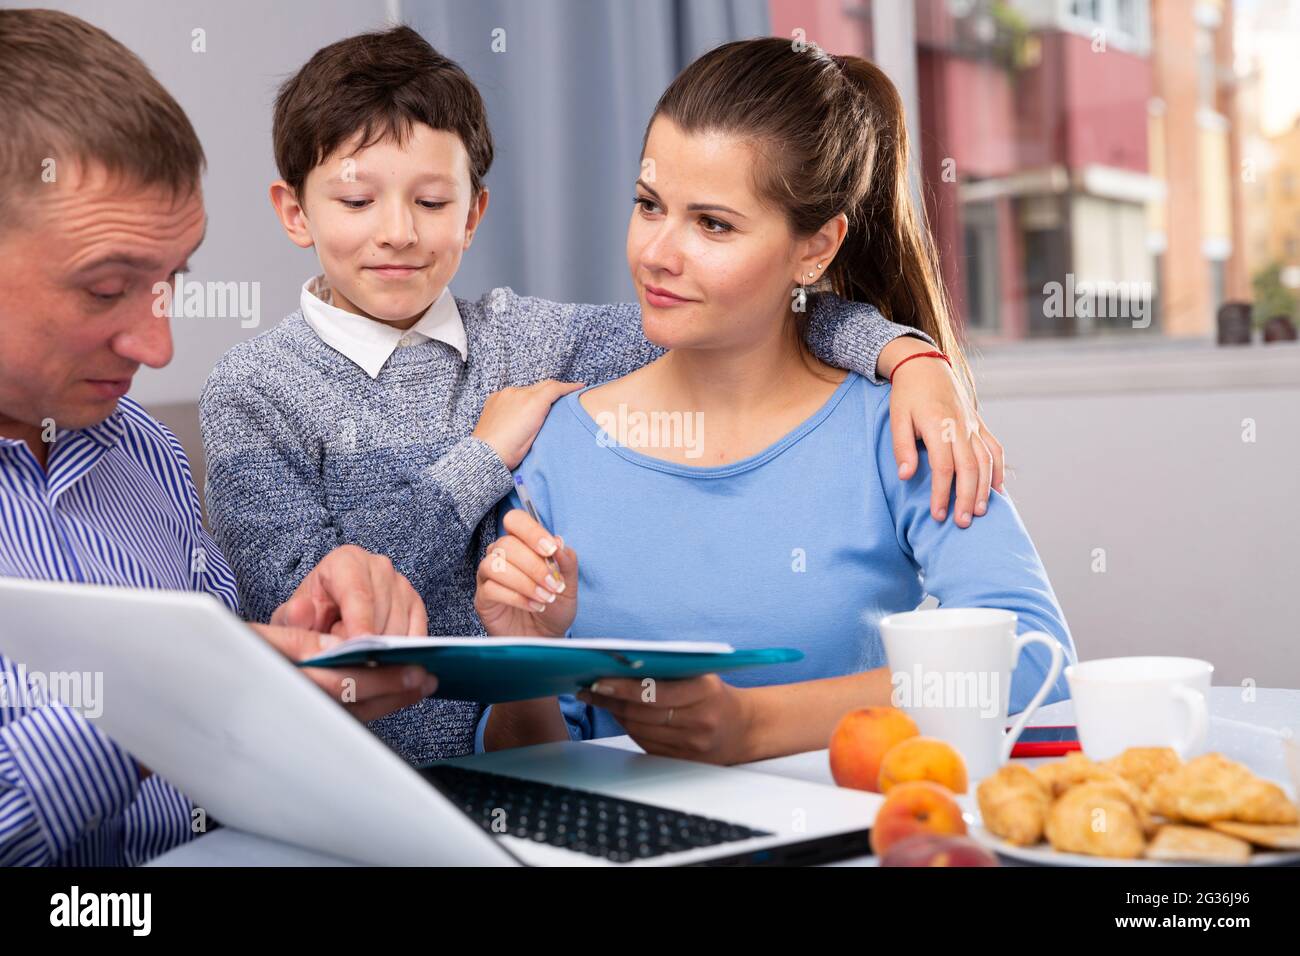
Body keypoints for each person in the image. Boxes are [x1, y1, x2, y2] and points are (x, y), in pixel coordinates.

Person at [199, 26, 1009, 764]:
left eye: (433, 201)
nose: (398, 232)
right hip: (354, 775)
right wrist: (478, 460)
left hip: (524, 769)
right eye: (355, 200)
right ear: (294, 212)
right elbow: (305, 612)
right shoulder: (251, 391)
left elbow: (748, 314)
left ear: (475, 211)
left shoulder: (533, 341)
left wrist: (910, 358)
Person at [473, 38, 1077, 764]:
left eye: (713, 224)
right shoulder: (558, 449)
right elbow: (530, 760)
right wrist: (521, 661)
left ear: (814, 251)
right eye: (648, 204)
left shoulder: (901, 429)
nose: (658, 253)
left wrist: (757, 725)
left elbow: (1036, 655)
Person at [0, 8, 431, 866]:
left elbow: (219, 747)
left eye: (170, 281)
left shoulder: (147, 456)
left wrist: (300, 644)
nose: (157, 347)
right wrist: (178, 692)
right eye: (106, 288)